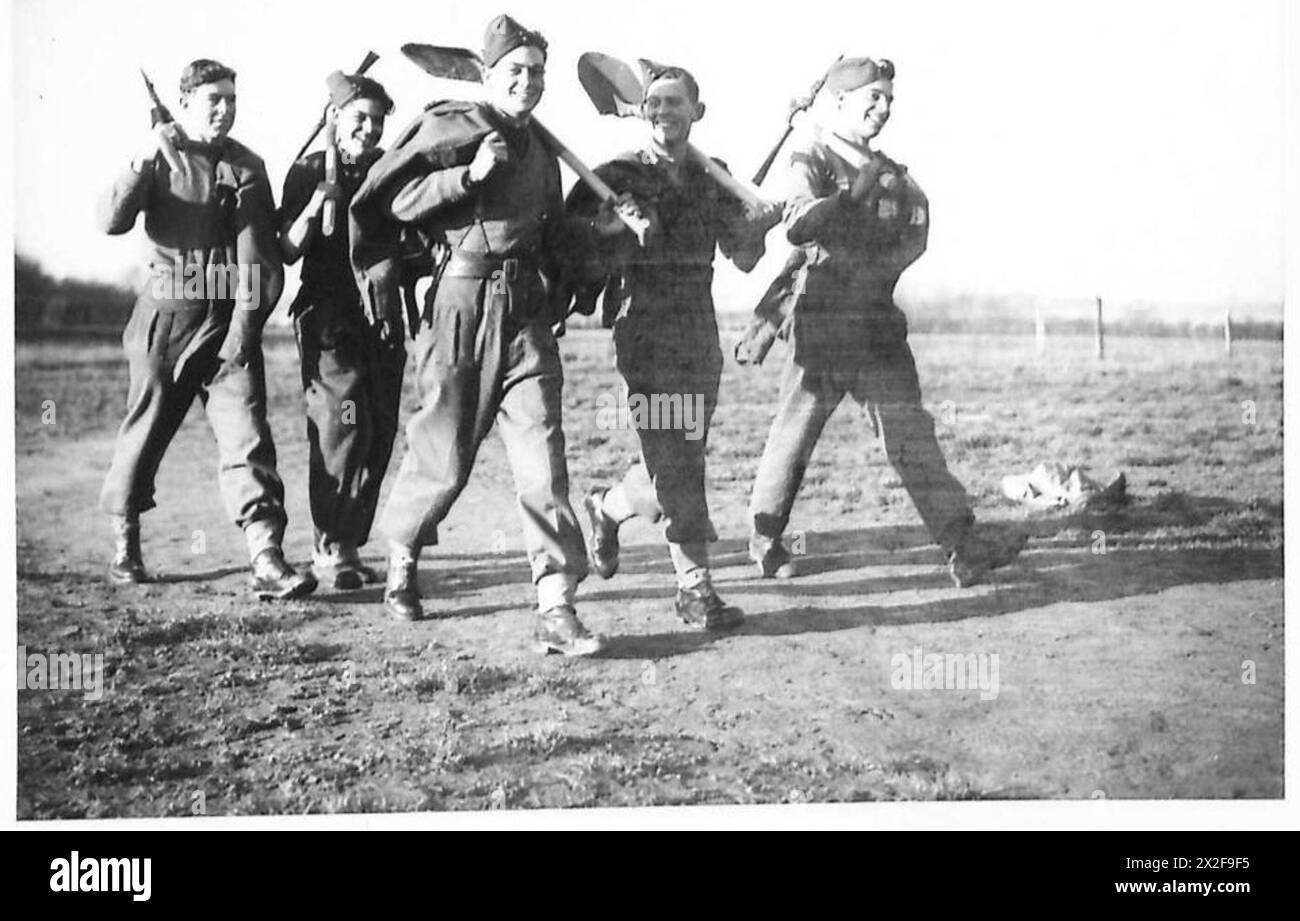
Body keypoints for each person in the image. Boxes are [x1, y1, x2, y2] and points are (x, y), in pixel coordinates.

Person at [349, 14, 633, 653]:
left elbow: (553, 238)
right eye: (515, 71)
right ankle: (402, 556)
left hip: (526, 315)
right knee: (444, 457)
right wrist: (467, 175)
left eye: (537, 72)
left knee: (544, 460)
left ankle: (555, 604)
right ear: (487, 75)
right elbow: (394, 201)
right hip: (461, 307)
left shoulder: (543, 153)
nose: (528, 82)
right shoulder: (452, 127)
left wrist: (605, 230)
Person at [737, 56, 1026, 587]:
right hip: (823, 318)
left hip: (875, 319)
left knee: (910, 431)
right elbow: (798, 224)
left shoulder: (892, 172)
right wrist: (849, 199)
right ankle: (765, 538)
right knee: (796, 433)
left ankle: (963, 546)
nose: (883, 107)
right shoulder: (812, 156)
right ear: (840, 101)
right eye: (873, 97)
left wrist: (875, 265)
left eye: (888, 99)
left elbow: (915, 232)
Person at [568, 61, 778, 629]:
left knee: (680, 453)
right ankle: (694, 587)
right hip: (643, 326)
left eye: (675, 102)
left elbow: (743, 255)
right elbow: (571, 246)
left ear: (696, 112)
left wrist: (761, 224)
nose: (664, 112)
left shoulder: (714, 176)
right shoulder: (616, 176)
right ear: (642, 111)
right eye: (654, 103)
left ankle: (609, 506)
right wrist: (608, 227)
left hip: (697, 327)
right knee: (677, 459)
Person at [97, 58, 315, 600]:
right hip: (167, 318)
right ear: (186, 102)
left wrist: (246, 327)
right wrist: (141, 160)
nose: (224, 109)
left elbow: (262, 256)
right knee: (146, 430)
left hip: (229, 320)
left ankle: (266, 557)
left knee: (248, 435)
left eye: (232, 99)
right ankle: (125, 541)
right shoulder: (158, 155)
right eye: (213, 99)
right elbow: (110, 220)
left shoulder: (248, 165)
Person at [280, 71, 402, 590]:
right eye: (360, 119)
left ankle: (348, 539)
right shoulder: (308, 170)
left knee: (379, 427)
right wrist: (316, 204)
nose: (370, 129)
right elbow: (287, 249)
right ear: (334, 117)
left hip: (382, 316)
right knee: (342, 423)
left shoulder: (389, 169)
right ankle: (332, 544)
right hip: (328, 318)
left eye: (377, 121)